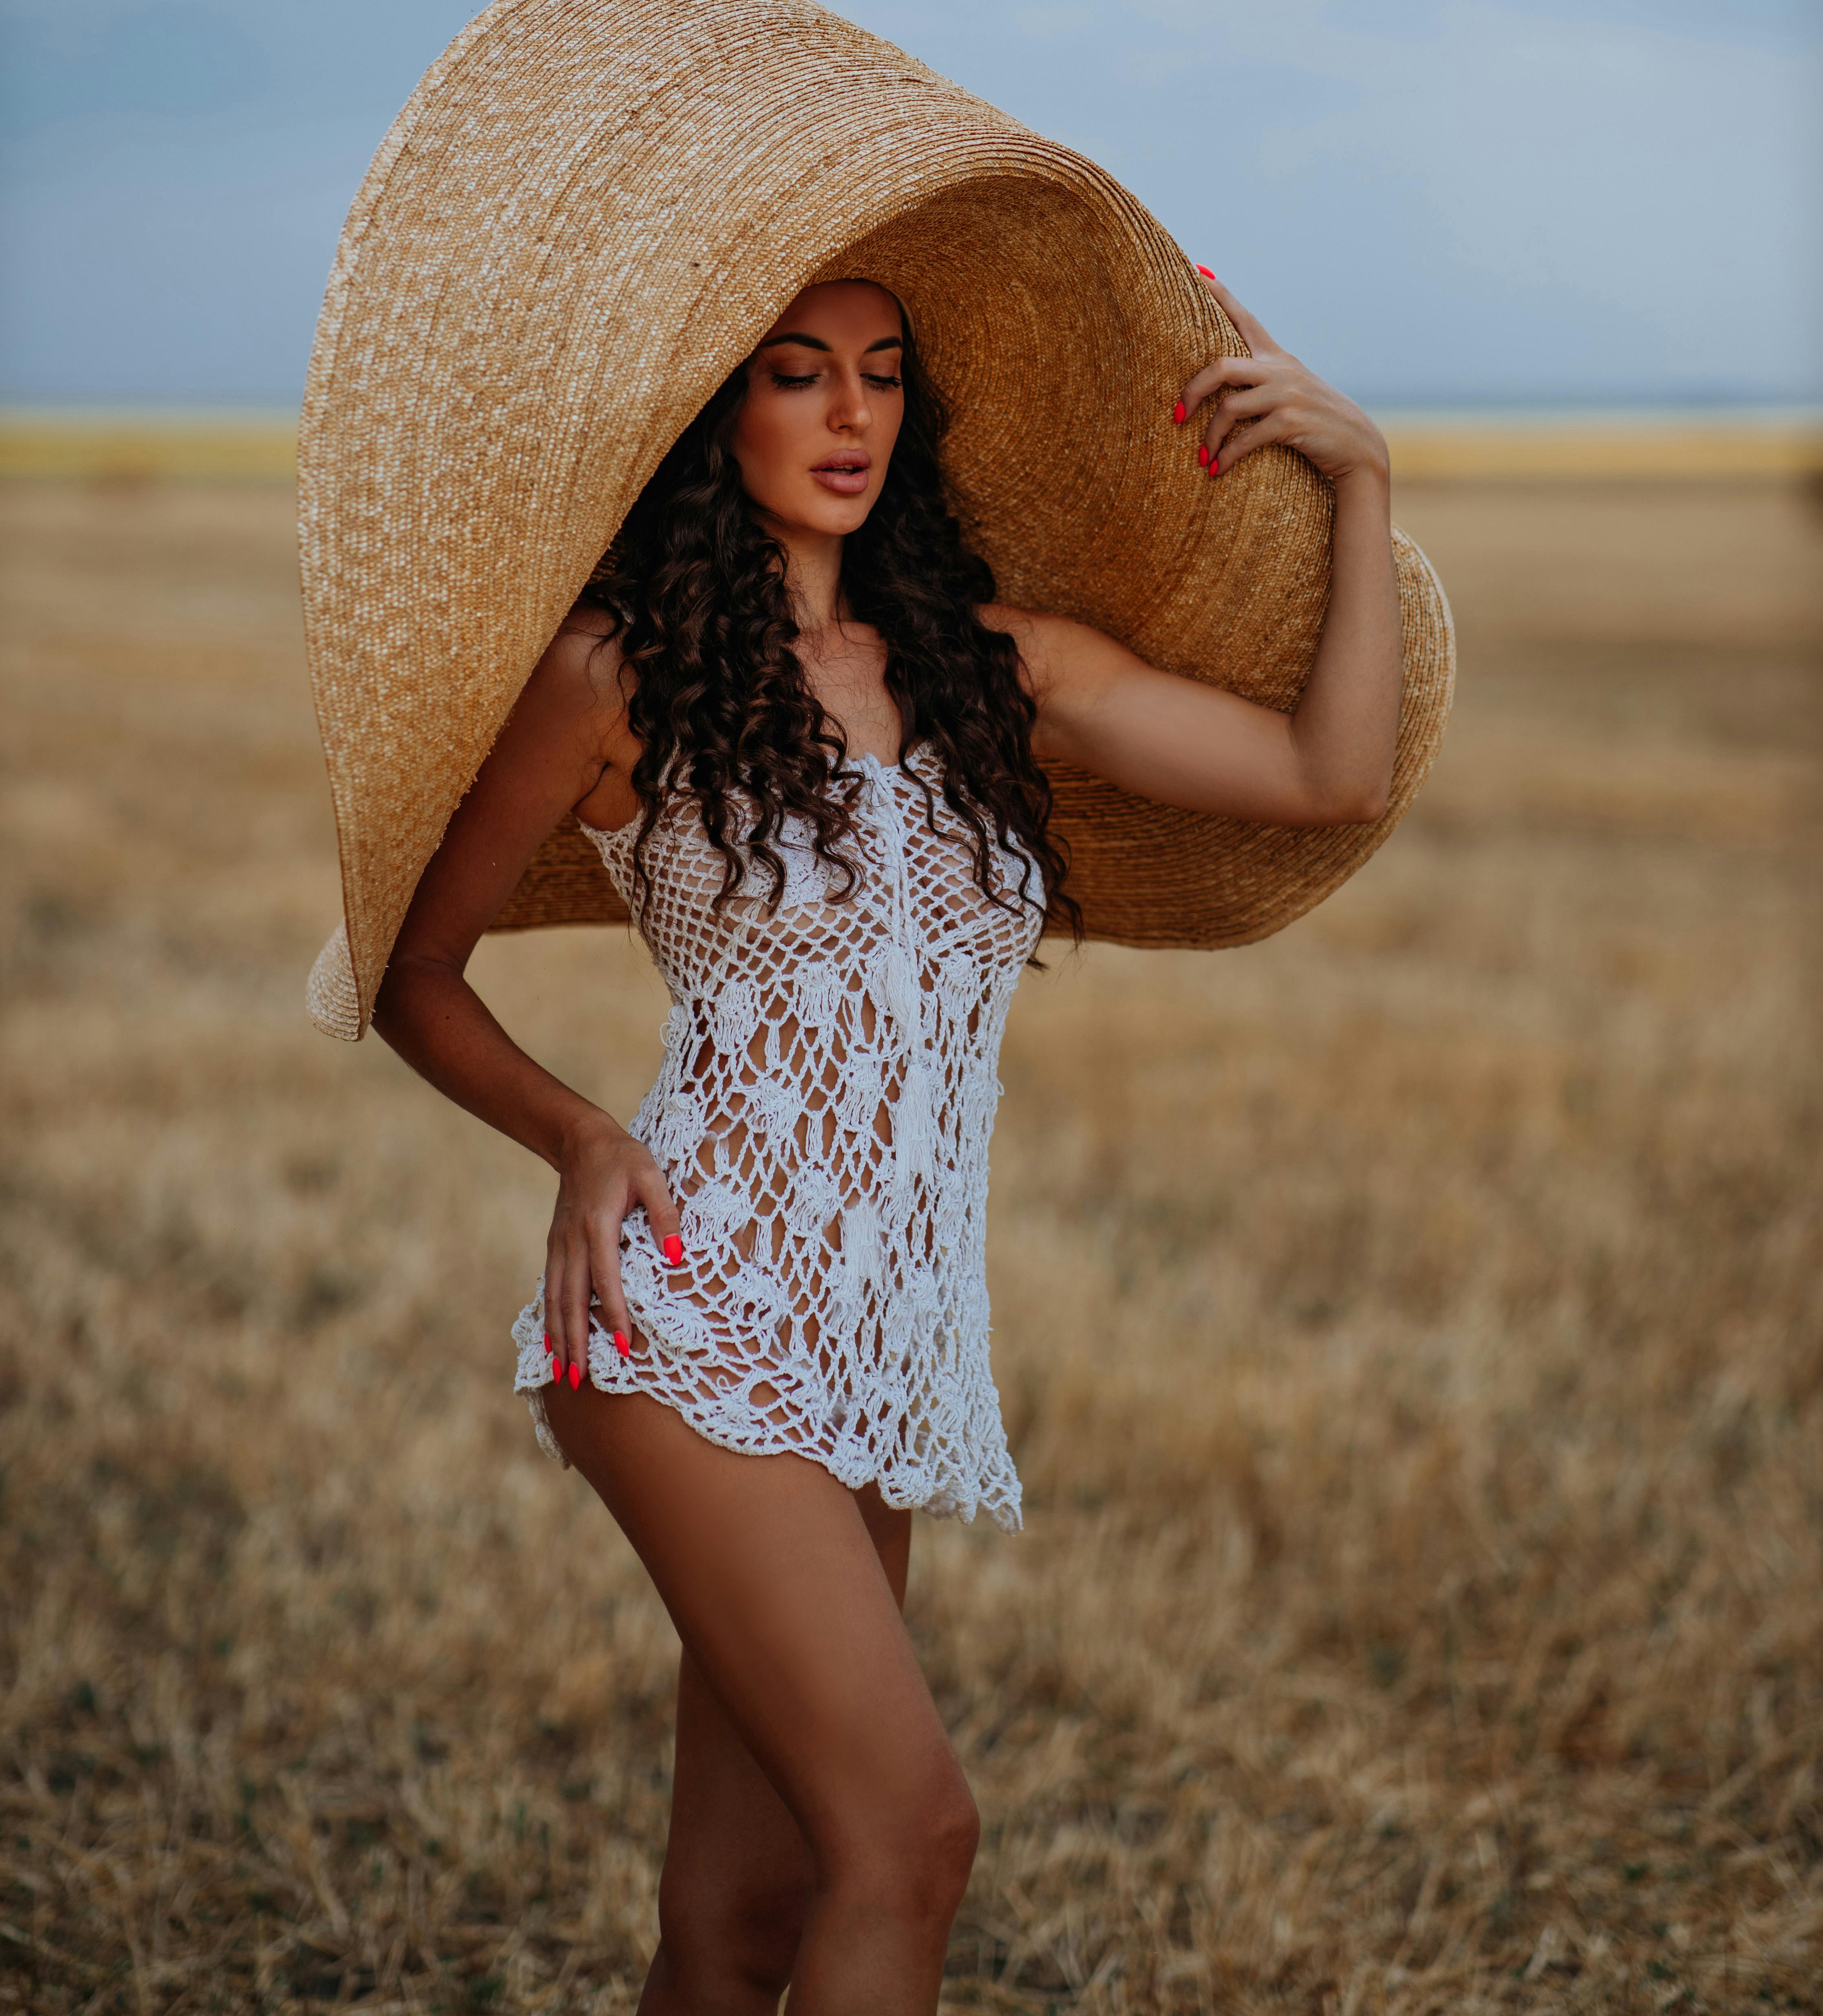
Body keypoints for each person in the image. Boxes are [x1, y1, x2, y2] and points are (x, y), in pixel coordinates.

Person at [367, 266, 1401, 2015]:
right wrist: (580, 1134)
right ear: (721, 409)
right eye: (796, 376)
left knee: (741, 1913)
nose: (848, 415)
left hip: (886, 1334)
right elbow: (414, 969)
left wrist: (1362, 482)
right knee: (911, 1839)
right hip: (686, 1305)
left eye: (878, 377)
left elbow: (1331, 772)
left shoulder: (991, 666)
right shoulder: (618, 672)